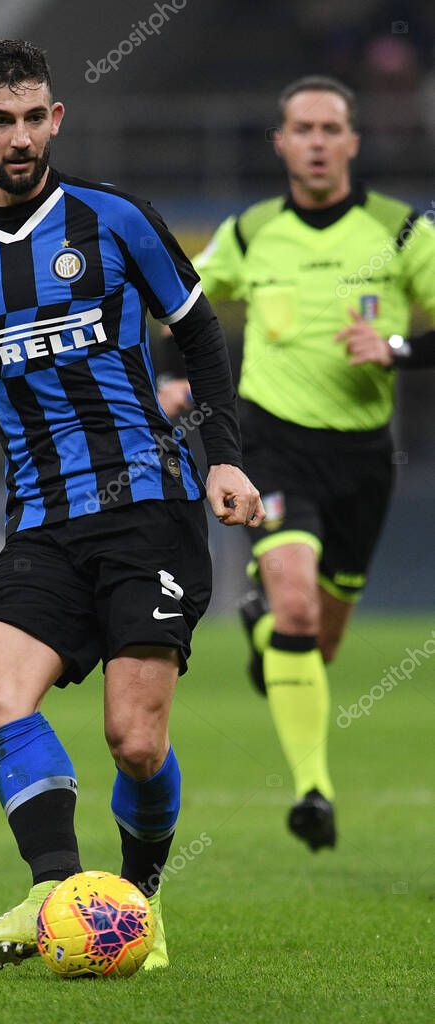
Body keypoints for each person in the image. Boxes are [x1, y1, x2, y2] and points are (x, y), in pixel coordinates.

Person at [0, 39, 263, 969]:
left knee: (134, 743)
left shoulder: (117, 221)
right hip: (39, 519)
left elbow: (203, 343)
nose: (21, 136)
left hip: (149, 504)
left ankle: (136, 910)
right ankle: (48, 894)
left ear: (55, 118)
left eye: (35, 117)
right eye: (2, 120)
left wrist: (224, 462)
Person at [189, 75, 435, 852]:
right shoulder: (252, 232)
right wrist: (170, 373)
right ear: (281, 142)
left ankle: (268, 629)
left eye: (333, 128)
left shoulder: (402, 232)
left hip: (363, 459)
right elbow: (181, 305)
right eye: (304, 128)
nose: (319, 141)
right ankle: (314, 793)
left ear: (354, 142)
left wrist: (396, 348)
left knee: (316, 645)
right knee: (297, 609)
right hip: (272, 444)